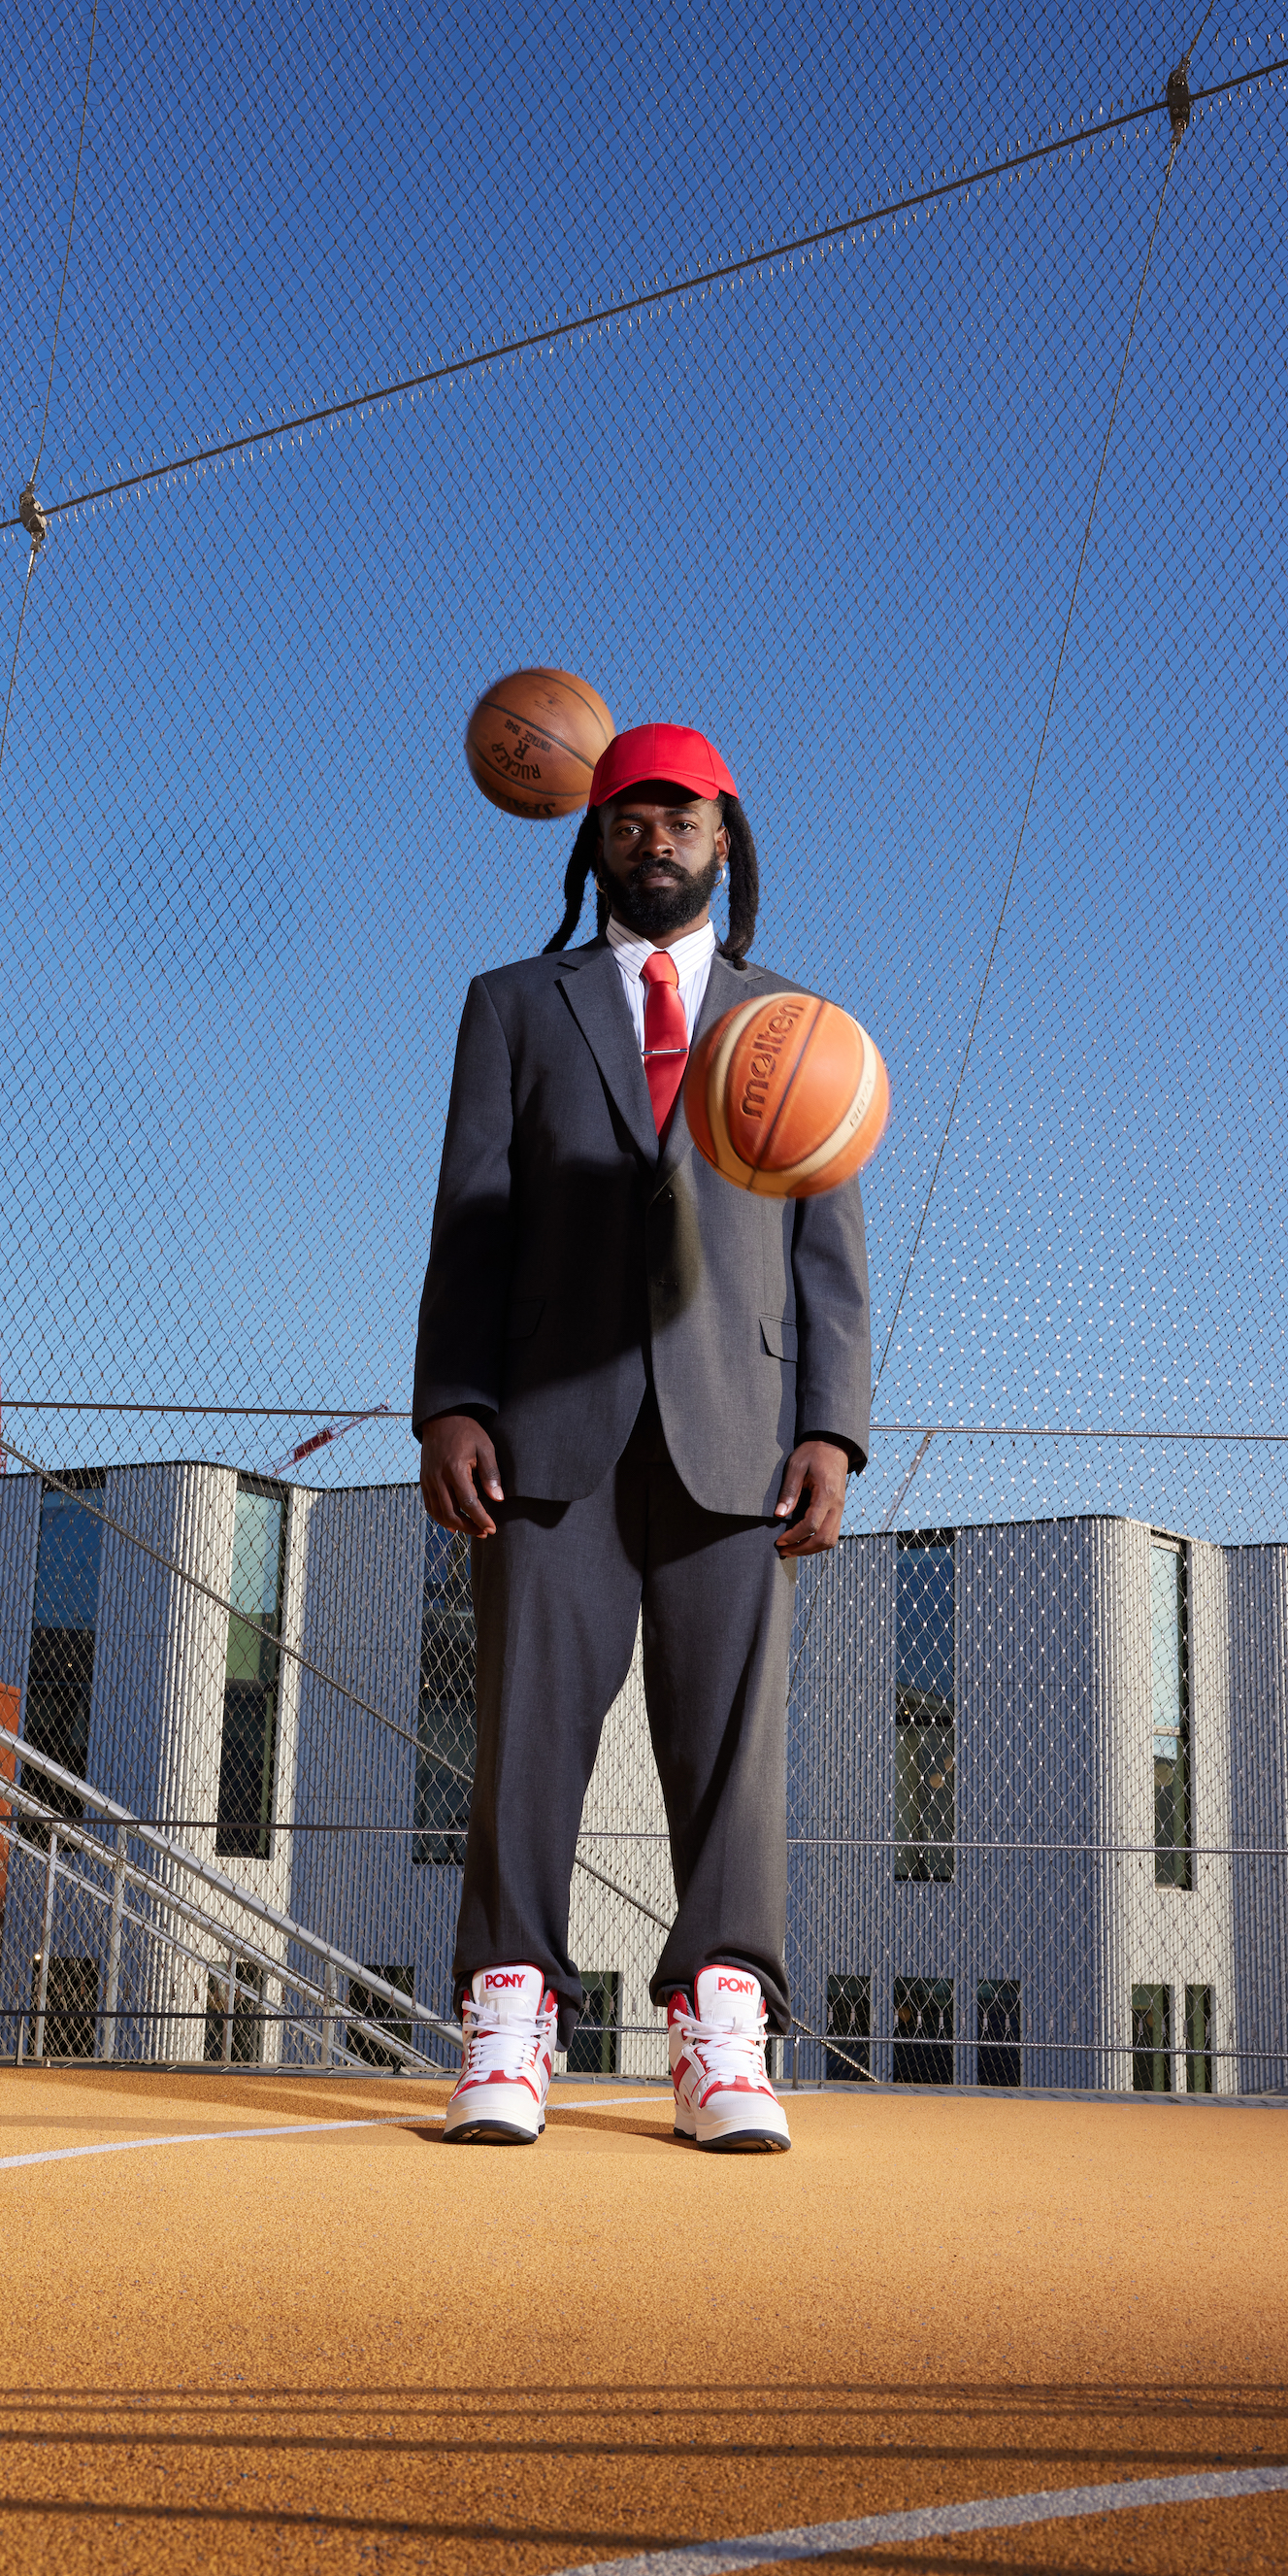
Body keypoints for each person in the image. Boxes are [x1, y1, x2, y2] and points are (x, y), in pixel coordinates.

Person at [413, 721, 871, 2150]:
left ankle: (723, 2029)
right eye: (628, 817)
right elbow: (470, 1223)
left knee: (735, 1749)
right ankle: (508, 2015)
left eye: (682, 816)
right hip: (549, 1429)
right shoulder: (513, 1005)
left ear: (725, 837)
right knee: (525, 1737)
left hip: (739, 1432)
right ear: (593, 839)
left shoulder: (799, 1029)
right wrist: (452, 1401)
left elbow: (828, 1256)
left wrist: (833, 1433)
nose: (654, 836)